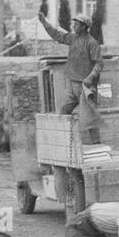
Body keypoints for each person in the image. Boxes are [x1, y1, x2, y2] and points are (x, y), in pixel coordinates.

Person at [38, 11, 103, 144]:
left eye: (76, 24)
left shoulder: (92, 43)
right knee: (64, 111)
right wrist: (44, 22)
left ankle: (97, 145)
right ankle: (65, 143)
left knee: (90, 117)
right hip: (72, 84)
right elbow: (57, 35)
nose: (73, 26)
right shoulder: (73, 38)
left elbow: (99, 63)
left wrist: (90, 77)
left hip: (86, 86)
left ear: (84, 26)